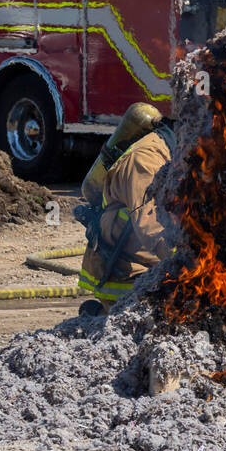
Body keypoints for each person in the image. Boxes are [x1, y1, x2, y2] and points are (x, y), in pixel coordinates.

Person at [76, 117, 176, 316]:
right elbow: (152, 227)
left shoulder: (179, 154)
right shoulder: (145, 161)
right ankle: (103, 316)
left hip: (153, 265)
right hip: (126, 273)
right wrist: (195, 270)